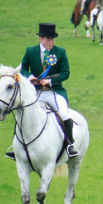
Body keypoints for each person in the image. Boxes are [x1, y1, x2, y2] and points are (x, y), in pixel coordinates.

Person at [6, 23, 76, 159]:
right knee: (23, 115)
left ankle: (70, 145)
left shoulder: (60, 52)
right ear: (40, 39)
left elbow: (65, 73)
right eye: (48, 39)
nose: (51, 42)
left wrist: (49, 81)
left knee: (64, 114)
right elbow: (24, 68)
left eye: (53, 39)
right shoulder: (30, 51)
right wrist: (30, 77)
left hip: (54, 92)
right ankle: (16, 147)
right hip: (36, 93)